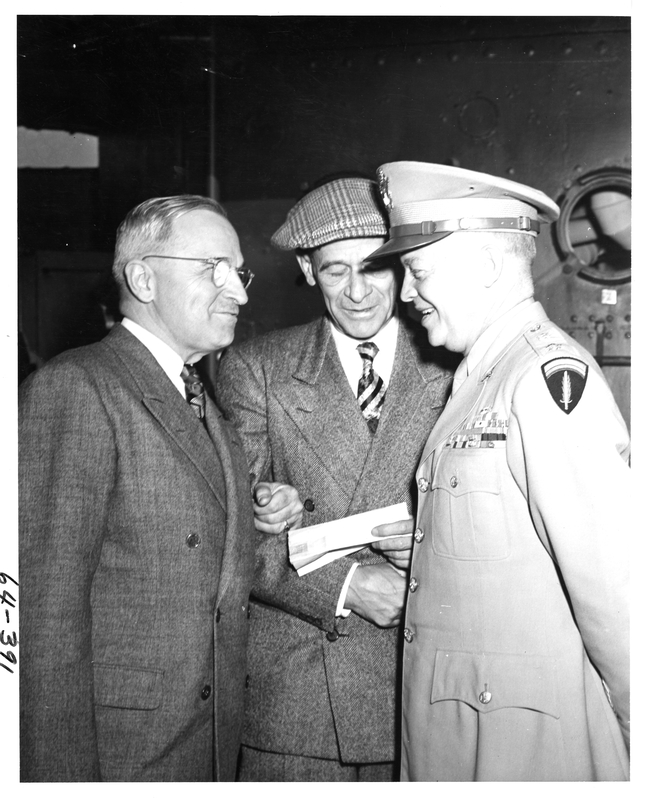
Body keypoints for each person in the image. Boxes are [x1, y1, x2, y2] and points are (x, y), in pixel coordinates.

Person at [19, 195, 300, 781]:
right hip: (124, 756)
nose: (241, 293)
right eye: (213, 269)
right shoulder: (78, 387)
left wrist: (260, 516)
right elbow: (42, 618)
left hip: (204, 749)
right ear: (143, 278)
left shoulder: (197, 396)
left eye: (239, 272)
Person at [365, 161, 631, 781]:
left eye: (419, 270)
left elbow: (616, 594)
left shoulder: (544, 378)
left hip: (530, 752)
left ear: (485, 268)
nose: (405, 293)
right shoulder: (482, 375)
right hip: (472, 740)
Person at [215, 175, 453, 781]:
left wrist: (432, 544)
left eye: (373, 267)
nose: (355, 292)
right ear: (305, 268)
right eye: (333, 270)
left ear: (402, 265)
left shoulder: (456, 365)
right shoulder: (257, 369)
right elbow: (227, 532)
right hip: (299, 699)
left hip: (428, 685)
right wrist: (345, 586)